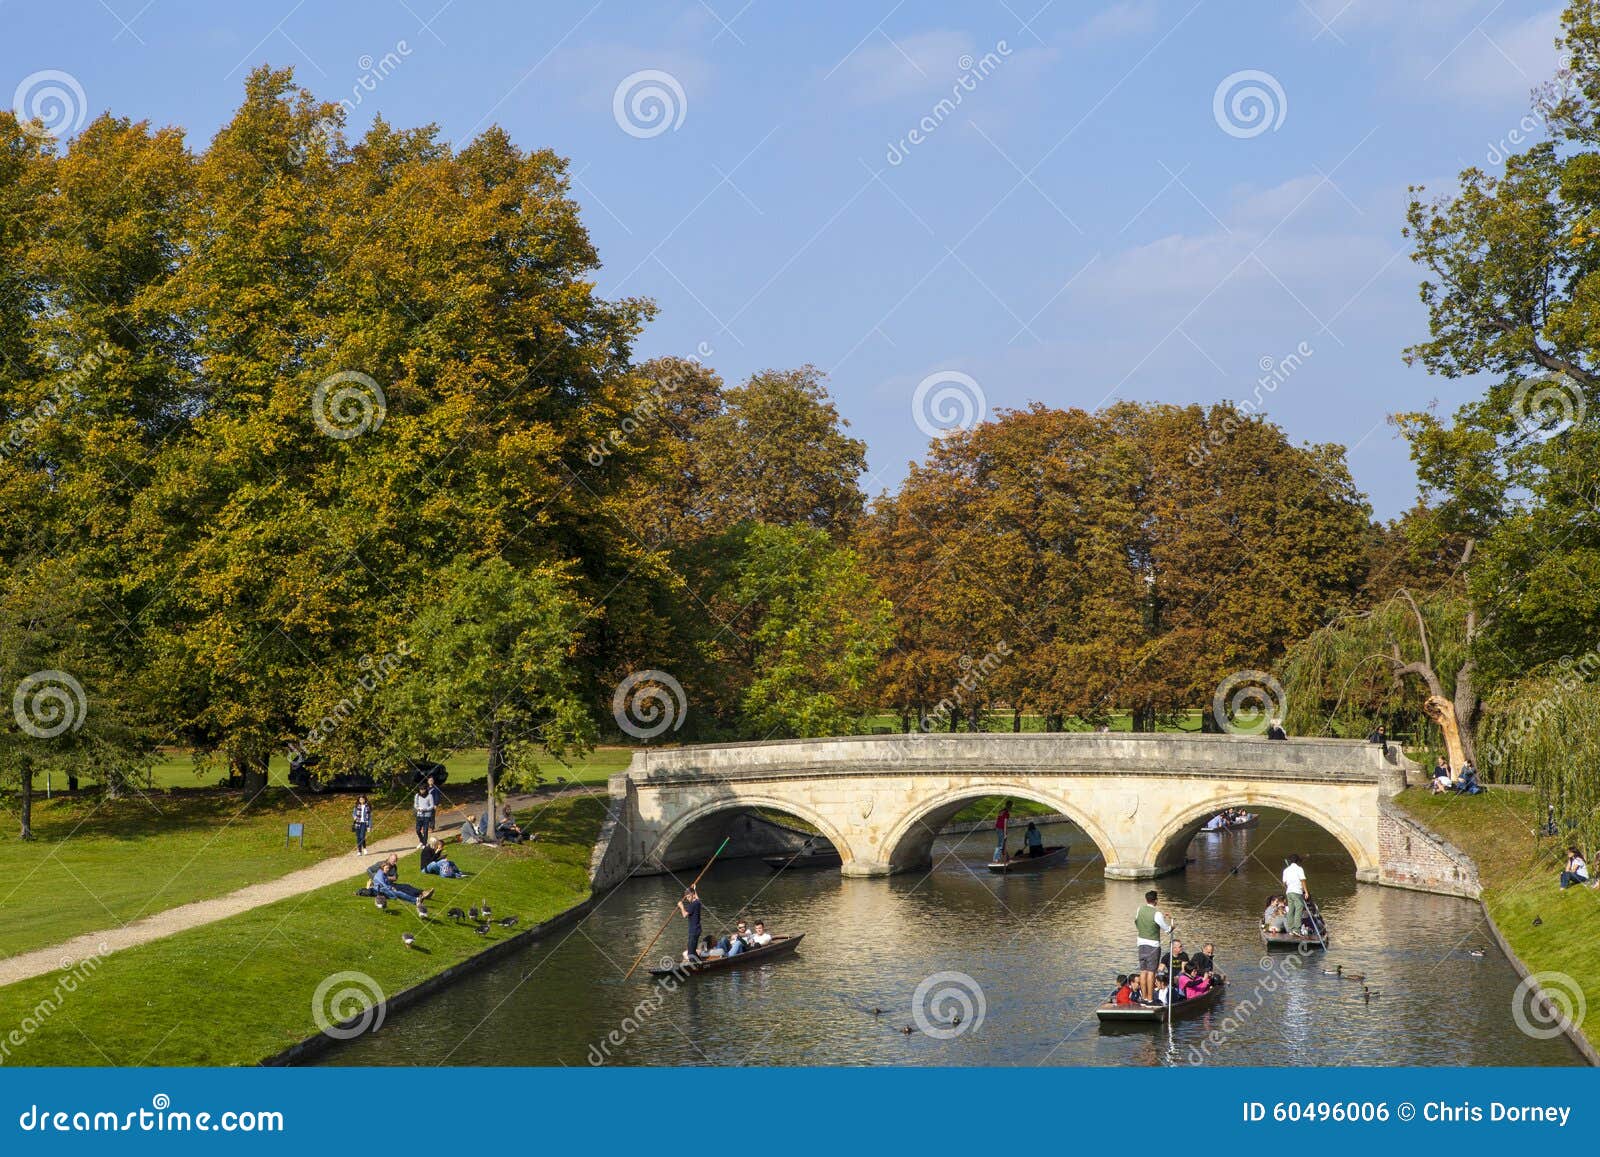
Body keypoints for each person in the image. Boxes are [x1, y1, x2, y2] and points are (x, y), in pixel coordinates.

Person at [1134, 889, 1172, 1004]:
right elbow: (1168, 930)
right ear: (1156, 901)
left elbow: (1136, 922)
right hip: (1153, 946)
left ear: (1146, 900)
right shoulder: (1157, 913)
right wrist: (1172, 921)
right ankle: (1150, 999)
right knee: (1151, 972)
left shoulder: (1139, 909)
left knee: (1143, 971)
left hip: (1141, 944)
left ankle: (1144, 998)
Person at [367, 854, 434, 906]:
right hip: (384, 884)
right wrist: (375, 878)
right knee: (401, 890)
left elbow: (395, 876)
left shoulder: (394, 867)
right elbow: (369, 870)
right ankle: (417, 897)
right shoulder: (380, 864)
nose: (395, 862)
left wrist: (393, 878)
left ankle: (422, 893)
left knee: (406, 886)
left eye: (396, 861)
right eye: (394, 861)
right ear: (389, 859)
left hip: (390, 883)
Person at [1282, 854, 1309, 933]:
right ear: (1297, 861)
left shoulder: (1286, 870)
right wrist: (1306, 892)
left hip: (1289, 892)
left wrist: (1287, 887)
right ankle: (1297, 929)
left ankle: (1291, 928)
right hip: (1297, 891)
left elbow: (1284, 882)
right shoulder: (1299, 869)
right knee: (1299, 907)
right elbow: (1303, 880)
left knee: (1291, 909)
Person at [677, 886, 703, 962]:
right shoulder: (698, 902)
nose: (688, 899)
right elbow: (697, 898)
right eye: (686, 897)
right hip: (697, 930)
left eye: (689, 897)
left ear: (692, 895)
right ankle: (700, 962)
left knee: (690, 953)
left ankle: (694, 965)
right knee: (692, 950)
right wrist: (695, 889)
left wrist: (681, 906)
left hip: (694, 931)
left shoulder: (692, 905)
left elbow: (684, 915)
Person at [414, 778, 439, 847]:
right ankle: (422, 841)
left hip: (427, 815)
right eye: (421, 789)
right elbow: (415, 804)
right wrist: (418, 808)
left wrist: (425, 809)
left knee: (425, 830)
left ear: (426, 789)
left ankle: (424, 844)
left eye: (423, 789)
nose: (422, 791)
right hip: (419, 815)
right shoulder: (417, 795)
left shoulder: (429, 796)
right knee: (418, 830)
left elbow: (431, 806)